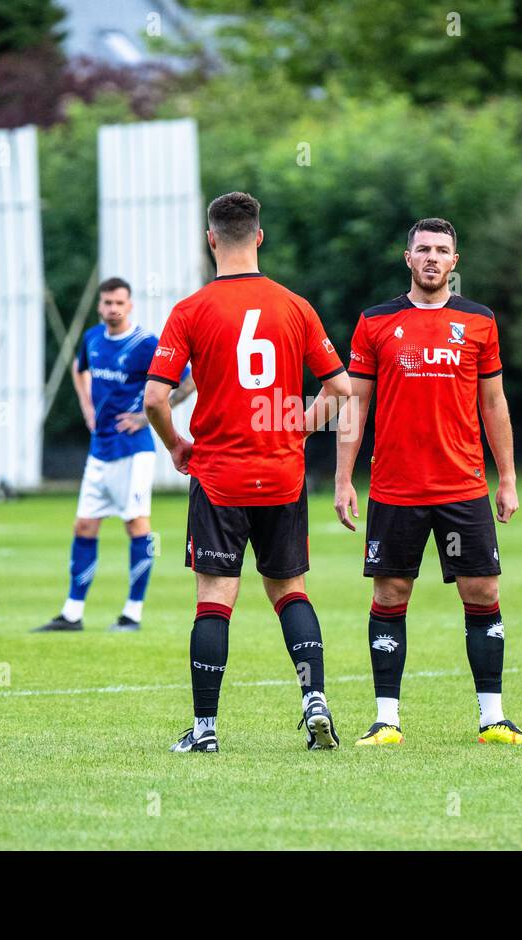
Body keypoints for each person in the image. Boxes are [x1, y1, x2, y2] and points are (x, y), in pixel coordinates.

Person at [144, 191, 352, 753]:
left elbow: (156, 400)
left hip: (219, 476)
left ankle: (206, 730)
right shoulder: (295, 306)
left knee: (215, 598)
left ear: (211, 239)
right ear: (259, 237)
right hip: (281, 475)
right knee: (290, 593)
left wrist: (176, 447)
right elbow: (340, 388)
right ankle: (315, 700)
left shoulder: (190, 310)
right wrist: (301, 428)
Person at [334, 219, 522, 746]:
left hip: (463, 486)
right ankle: (386, 720)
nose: (431, 258)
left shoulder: (478, 321)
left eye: (441, 250)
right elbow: (355, 404)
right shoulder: (376, 322)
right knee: (391, 592)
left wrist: (508, 478)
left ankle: (492, 719)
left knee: (482, 589)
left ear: (454, 260)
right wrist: (343, 479)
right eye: (422, 249)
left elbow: (493, 403)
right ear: (407, 258)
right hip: (396, 488)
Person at [34, 277, 193, 633]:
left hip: (133, 452)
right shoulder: (92, 338)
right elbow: (80, 371)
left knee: (136, 524)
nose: (113, 309)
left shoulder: (145, 344)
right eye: (107, 303)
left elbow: (187, 380)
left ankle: (132, 613)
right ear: (100, 305)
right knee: (85, 525)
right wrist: (86, 405)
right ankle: (72, 613)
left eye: (119, 303)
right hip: (100, 450)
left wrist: (145, 416)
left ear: (130, 305)